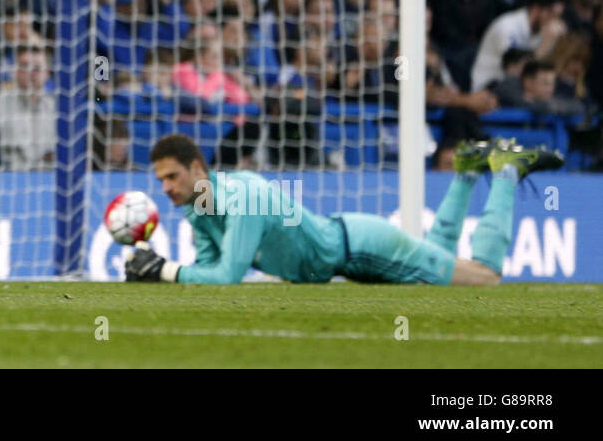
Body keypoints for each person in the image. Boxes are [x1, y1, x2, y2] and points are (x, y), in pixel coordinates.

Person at [125, 134, 563, 285]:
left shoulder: (244, 197)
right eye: (160, 180)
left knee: (484, 277)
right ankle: (467, 171)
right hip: (349, 254)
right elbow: (205, 270)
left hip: (361, 247)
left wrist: (163, 270)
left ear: (197, 168)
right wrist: (167, 274)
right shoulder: (200, 207)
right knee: (437, 262)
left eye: (172, 177)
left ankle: (504, 172)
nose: (165, 189)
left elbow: (226, 277)